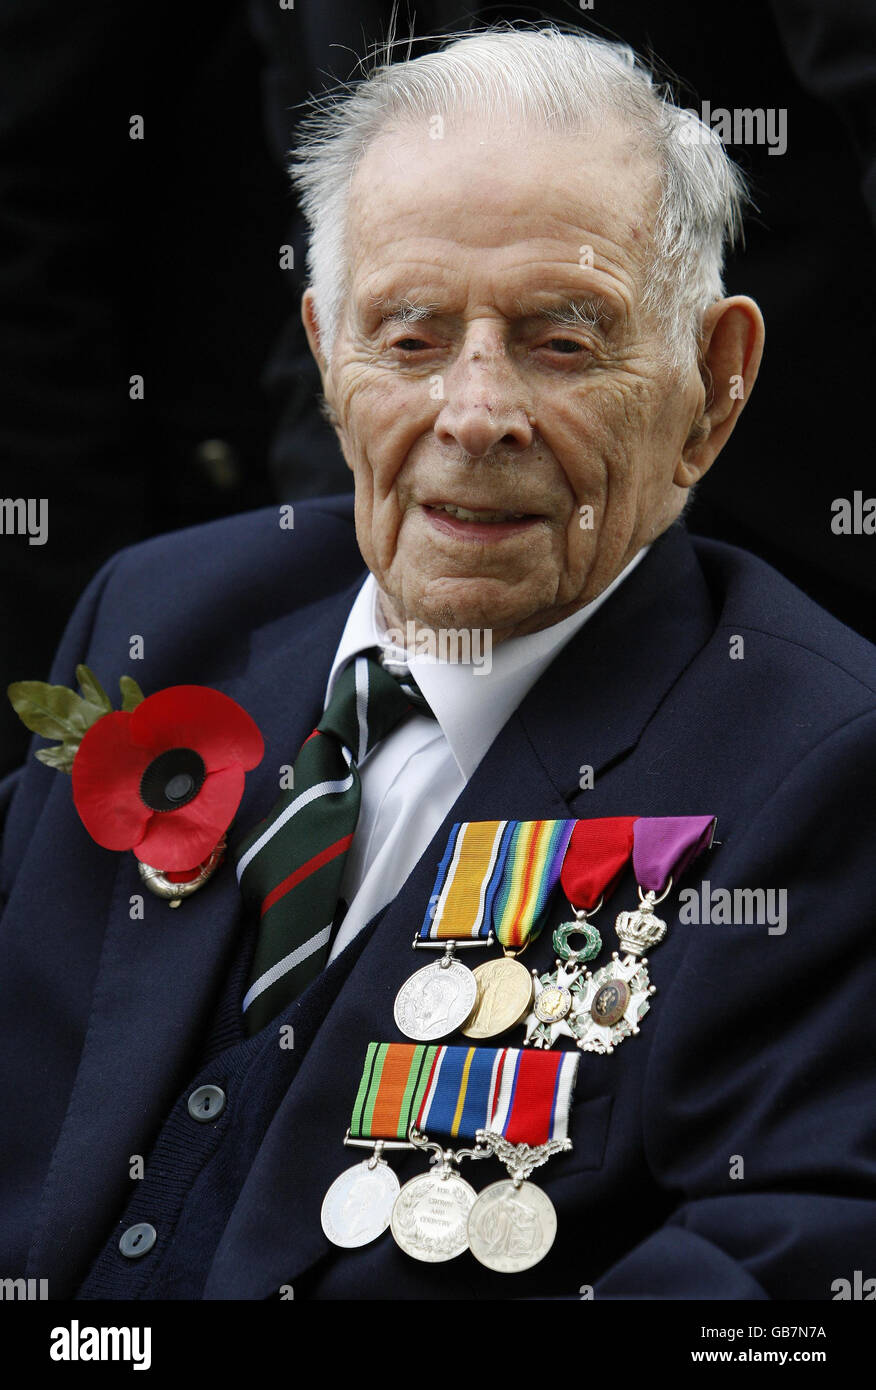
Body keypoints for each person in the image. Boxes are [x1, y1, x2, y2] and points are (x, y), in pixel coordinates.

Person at [1, 25, 874, 1301]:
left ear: (713, 387)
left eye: (562, 343)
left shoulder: (821, 767)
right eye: (409, 337)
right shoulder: (167, 616)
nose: (473, 414)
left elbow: (783, 1274)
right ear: (324, 349)